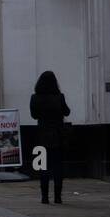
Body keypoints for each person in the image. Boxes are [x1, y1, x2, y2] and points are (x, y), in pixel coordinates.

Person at [29, 71, 70, 204]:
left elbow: (34, 115)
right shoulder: (60, 97)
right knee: (58, 167)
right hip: (58, 136)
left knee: (43, 167)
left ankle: (44, 197)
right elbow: (67, 112)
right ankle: (58, 197)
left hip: (42, 136)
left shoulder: (35, 98)